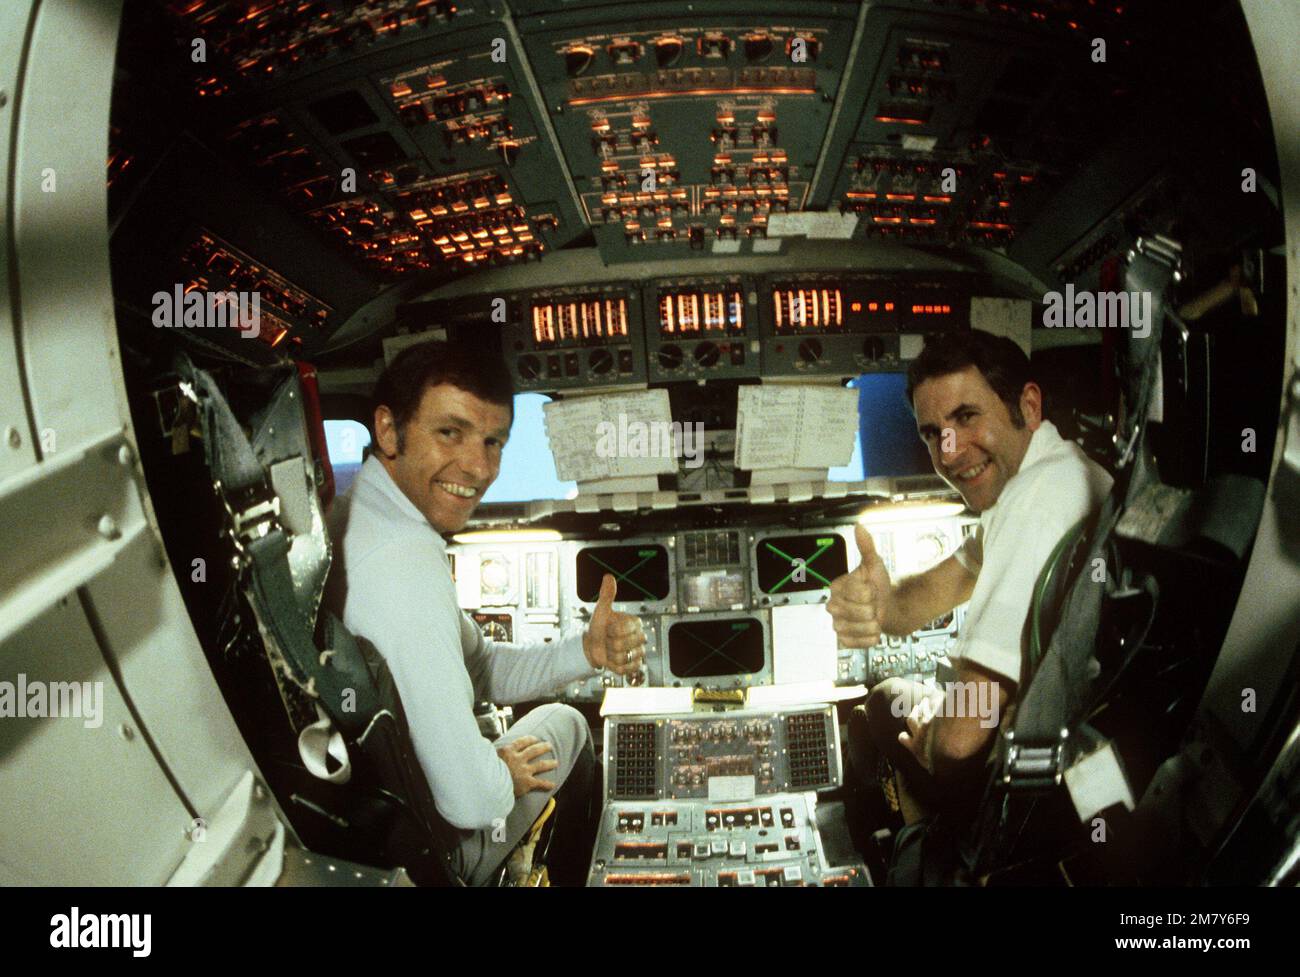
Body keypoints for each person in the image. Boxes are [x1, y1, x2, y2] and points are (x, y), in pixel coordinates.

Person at [324, 339, 646, 885]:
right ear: (387, 430)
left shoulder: (359, 515)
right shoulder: (404, 566)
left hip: (378, 818)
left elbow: (482, 668)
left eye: (493, 441)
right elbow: (472, 802)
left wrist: (586, 652)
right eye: (450, 432)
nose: (478, 467)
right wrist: (502, 776)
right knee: (568, 724)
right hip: (436, 854)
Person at [827, 330, 1112, 831]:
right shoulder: (1059, 472)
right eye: (933, 433)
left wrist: (932, 738)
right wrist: (882, 600)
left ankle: (912, 849)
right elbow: (929, 594)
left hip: (1023, 783)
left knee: (878, 703)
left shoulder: (1035, 503)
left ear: (1027, 405)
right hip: (1066, 739)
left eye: (966, 417)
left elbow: (961, 739)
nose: (951, 452)